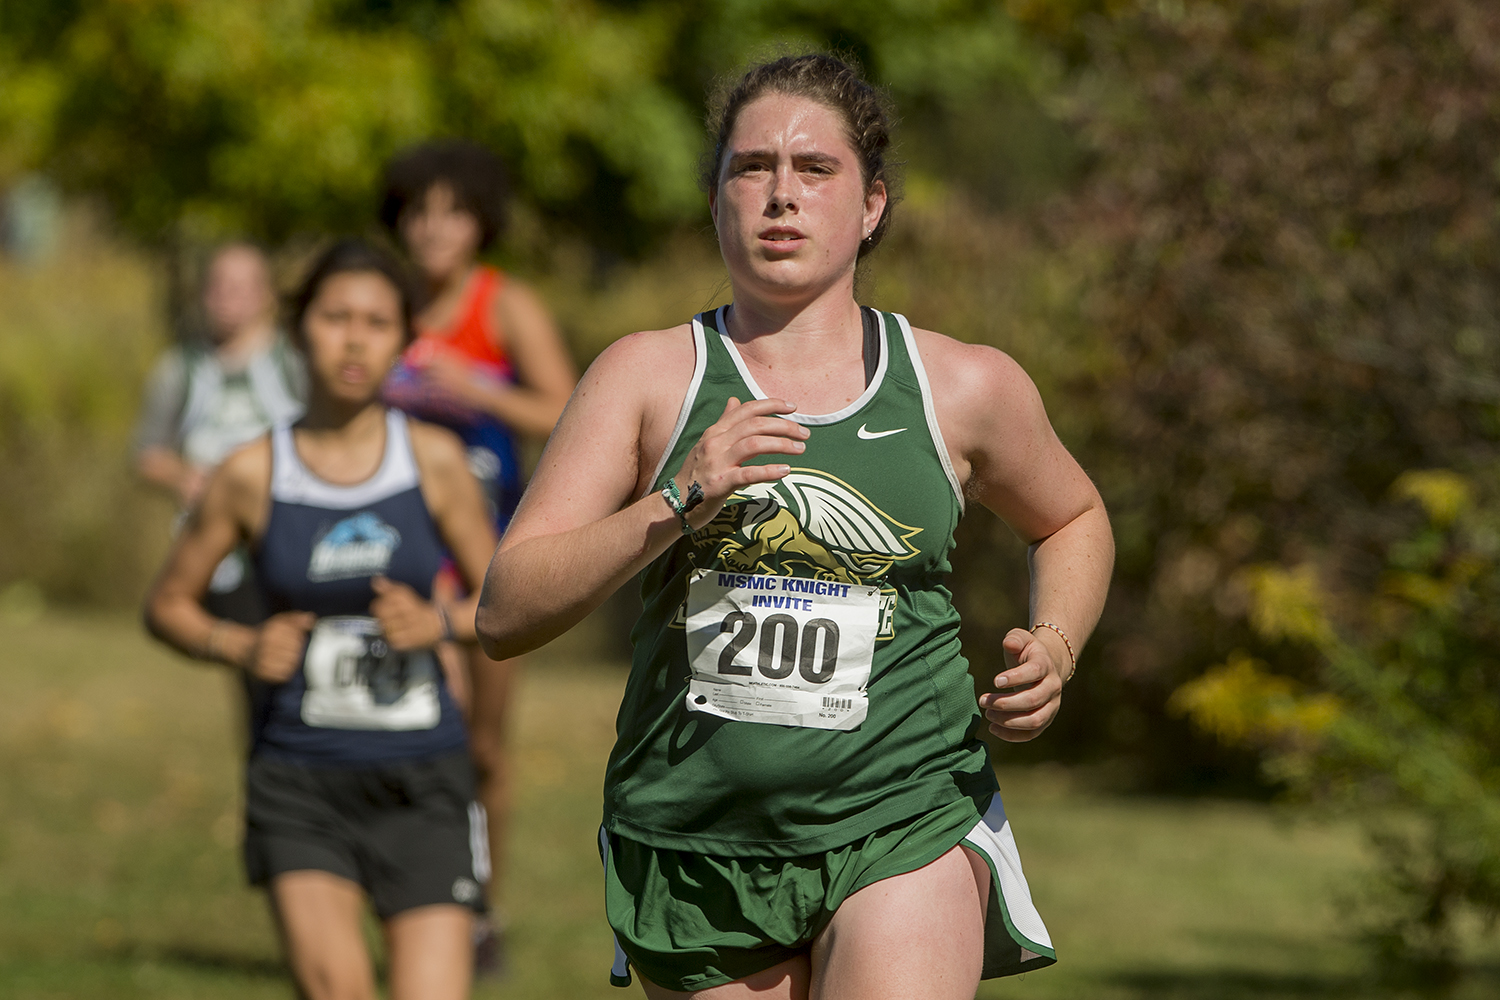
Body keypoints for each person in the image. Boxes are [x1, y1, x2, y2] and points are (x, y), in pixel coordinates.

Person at [475, 54, 1115, 999]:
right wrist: (676, 502)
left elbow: (1073, 515)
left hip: (905, 810)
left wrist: (1055, 648)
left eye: (815, 170)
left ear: (872, 206)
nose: (781, 195)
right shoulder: (647, 377)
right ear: (716, 200)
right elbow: (506, 610)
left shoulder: (962, 385)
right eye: (750, 168)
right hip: (693, 840)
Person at [145, 239, 499, 1000]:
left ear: (403, 339)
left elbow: (506, 601)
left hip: (424, 779)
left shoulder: (434, 460)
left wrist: (438, 624)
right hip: (301, 779)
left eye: (376, 321)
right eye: (336, 316)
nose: (354, 337)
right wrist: (237, 642)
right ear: (300, 328)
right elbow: (166, 605)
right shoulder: (251, 472)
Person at [380, 138, 578, 962]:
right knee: (411, 738)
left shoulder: (504, 307)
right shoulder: (379, 305)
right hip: (396, 558)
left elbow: (571, 412)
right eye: (419, 212)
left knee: (483, 745)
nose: (434, 229)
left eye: (453, 211)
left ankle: (482, 907)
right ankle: (418, 900)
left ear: (480, 222)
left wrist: (474, 391)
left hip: (492, 558)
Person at [135, 241, 305, 624]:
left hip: (289, 534)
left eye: (240, 287)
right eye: (218, 285)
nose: (227, 297)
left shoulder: (294, 364)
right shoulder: (179, 369)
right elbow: (147, 454)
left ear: (265, 296)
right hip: (217, 546)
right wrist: (184, 477)